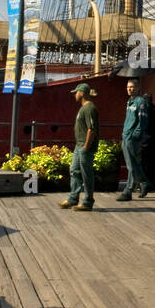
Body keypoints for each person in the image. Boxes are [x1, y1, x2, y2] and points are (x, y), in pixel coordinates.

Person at [59, 82, 98, 212]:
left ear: (82, 93)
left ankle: (87, 202)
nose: (74, 95)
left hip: (84, 146)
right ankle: (73, 199)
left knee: (86, 174)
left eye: (76, 92)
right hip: (79, 145)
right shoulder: (84, 108)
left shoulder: (89, 108)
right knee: (74, 170)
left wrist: (86, 146)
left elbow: (91, 129)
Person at [117, 78, 148, 201]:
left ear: (138, 88)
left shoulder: (141, 102)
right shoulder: (129, 101)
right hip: (126, 135)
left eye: (132, 87)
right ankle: (144, 183)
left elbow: (142, 121)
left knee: (130, 165)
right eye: (128, 87)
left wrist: (135, 135)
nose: (129, 89)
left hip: (132, 137)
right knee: (134, 163)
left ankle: (128, 190)